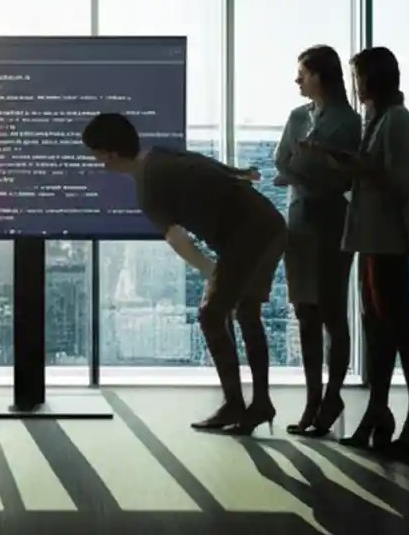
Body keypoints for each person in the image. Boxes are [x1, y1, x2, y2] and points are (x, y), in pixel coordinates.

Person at [83, 113, 286, 433]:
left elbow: (179, 241)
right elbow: (205, 164)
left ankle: (237, 404)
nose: (99, 163)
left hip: (247, 237)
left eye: (97, 156)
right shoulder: (160, 156)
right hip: (268, 223)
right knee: (246, 312)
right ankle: (256, 404)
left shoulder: (148, 187)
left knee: (211, 315)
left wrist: (212, 272)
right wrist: (239, 174)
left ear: (110, 154)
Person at [304, 45, 409, 461]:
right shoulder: (379, 120)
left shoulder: (397, 121)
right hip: (371, 239)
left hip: (387, 240)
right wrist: (343, 162)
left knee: (398, 327)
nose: (354, 86)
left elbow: (397, 182)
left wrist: (354, 165)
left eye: (357, 77)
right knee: (377, 330)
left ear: (373, 78)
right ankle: (379, 412)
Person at [274, 45, 360, 438]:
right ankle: (313, 398)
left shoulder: (349, 123)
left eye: (303, 73)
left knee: (331, 313)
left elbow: (346, 177)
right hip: (299, 222)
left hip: (330, 222)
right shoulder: (297, 117)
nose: (297, 80)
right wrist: (307, 169)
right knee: (304, 312)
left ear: (321, 76)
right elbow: (282, 161)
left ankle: (331, 395)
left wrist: (306, 168)